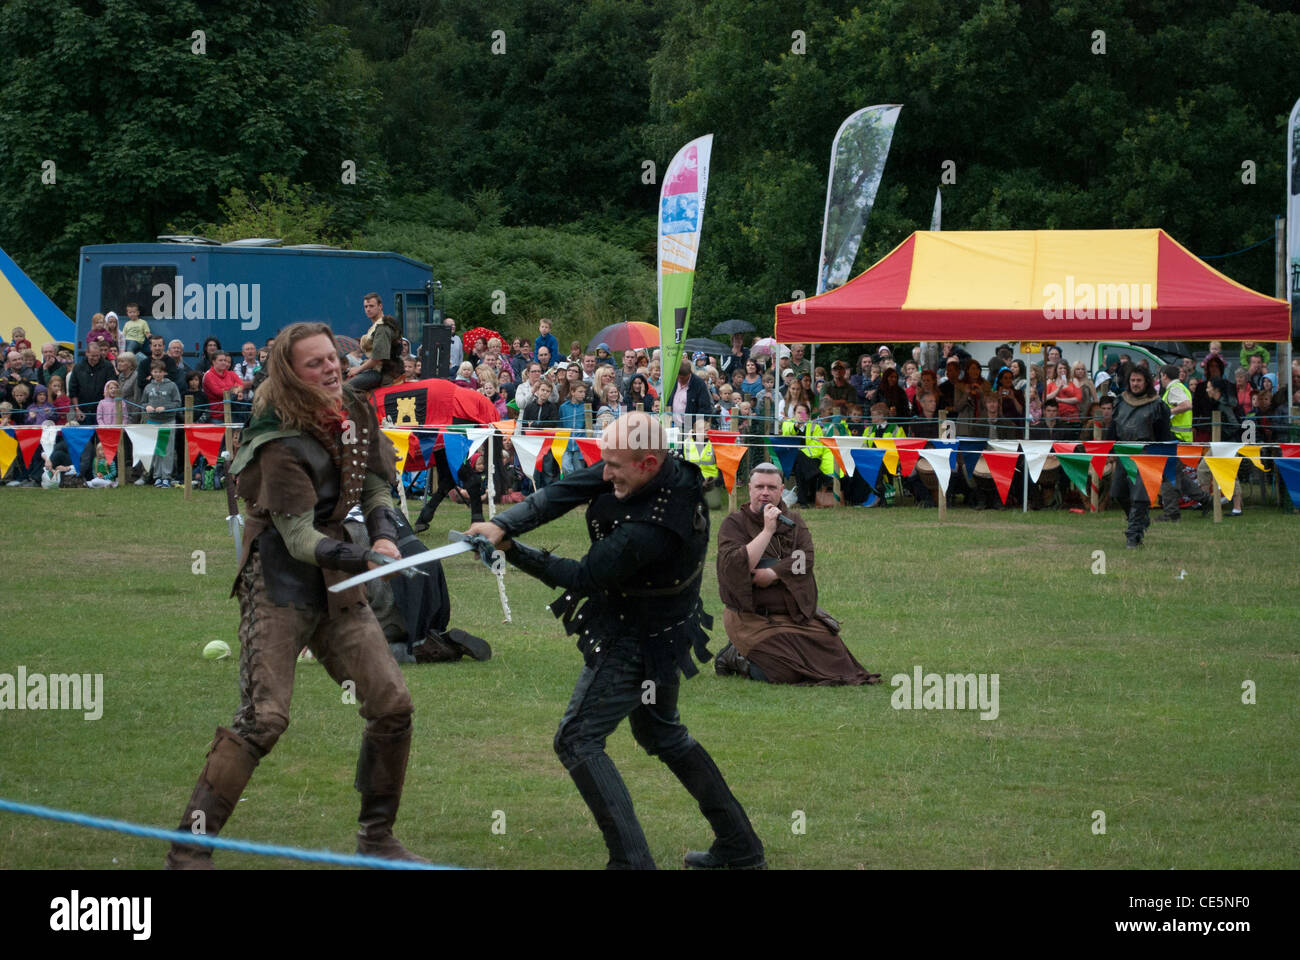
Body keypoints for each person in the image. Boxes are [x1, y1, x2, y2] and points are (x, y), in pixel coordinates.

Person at [165, 322, 426, 868]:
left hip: (339, 581)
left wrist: (382, 532)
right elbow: (300, 538)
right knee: (264, 719)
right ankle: (189, 852)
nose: (330, 369)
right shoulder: (276, 438)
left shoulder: (354, 409)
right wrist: (370, 558)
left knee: (391, 705)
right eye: (315, 364)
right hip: (280, 581)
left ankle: (377, 840)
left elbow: (375, 481)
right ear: (290, 373)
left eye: (332, 358)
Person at [466, 412, 766, 870]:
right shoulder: (657, 468)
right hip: (662, 624)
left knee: (577, 739)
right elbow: (566, 490)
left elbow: (583, 577)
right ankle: (740, 846)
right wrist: (506, 521)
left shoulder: (652, 529)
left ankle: (631, 862)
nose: (603, 475)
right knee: (663, 734)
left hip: (637, 635)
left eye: (614, 467)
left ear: (647, 462)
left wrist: (510, 549)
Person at [714, 462, 879, 685]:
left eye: (771, 488)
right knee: (780, 673)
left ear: (781, 490)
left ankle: (750, 653)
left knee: (835, 656)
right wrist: (767, 531)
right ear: (750, 489)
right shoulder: (734, 524)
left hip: (793, 614)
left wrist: (773, 573)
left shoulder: (794, 522)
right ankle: (735, 656)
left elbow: (804, 559)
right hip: (752, 617)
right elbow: (736, 566)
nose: (765, 493)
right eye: (759, 487)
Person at [1107, 367, 1173, 548]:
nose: (1135, 384)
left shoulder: (1157, 405)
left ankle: (1133, 536)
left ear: (1146, 382)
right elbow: (1113, 427)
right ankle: (1140, 521)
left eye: (1139, 381)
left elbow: (1163, 435)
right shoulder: (1121, 402)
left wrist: (1162, 458)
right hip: (1124, 453)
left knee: (1139, 497)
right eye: (1133, 380)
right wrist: (1109, 451)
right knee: (1118, 493)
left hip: (1146, 454)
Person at [1154, 363, 1210, 522]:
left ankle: (1171, 513)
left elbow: (1186, 405)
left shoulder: (1173, 389)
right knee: (1178, 475)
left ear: (1164, 375)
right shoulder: (1180, 387)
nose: (1160, 379)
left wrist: (1167, 413)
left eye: (1160, 376)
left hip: (1175, 438)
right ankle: (1206, 500)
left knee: (1168, 475)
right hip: (1180, 438)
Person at [141, 360, 181, 487]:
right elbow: (143, 402)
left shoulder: (172, 386)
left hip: (167, 421)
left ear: (164, 372)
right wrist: (146, 406)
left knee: (167, 450)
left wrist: (165, 407)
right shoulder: (148, 387)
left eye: (160, 372)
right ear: (151, 373)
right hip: (152, 421)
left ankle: (166, 477)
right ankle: (157, 476)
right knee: (156, 450)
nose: (157, 374)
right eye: (155, 372)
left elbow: (177, 402)